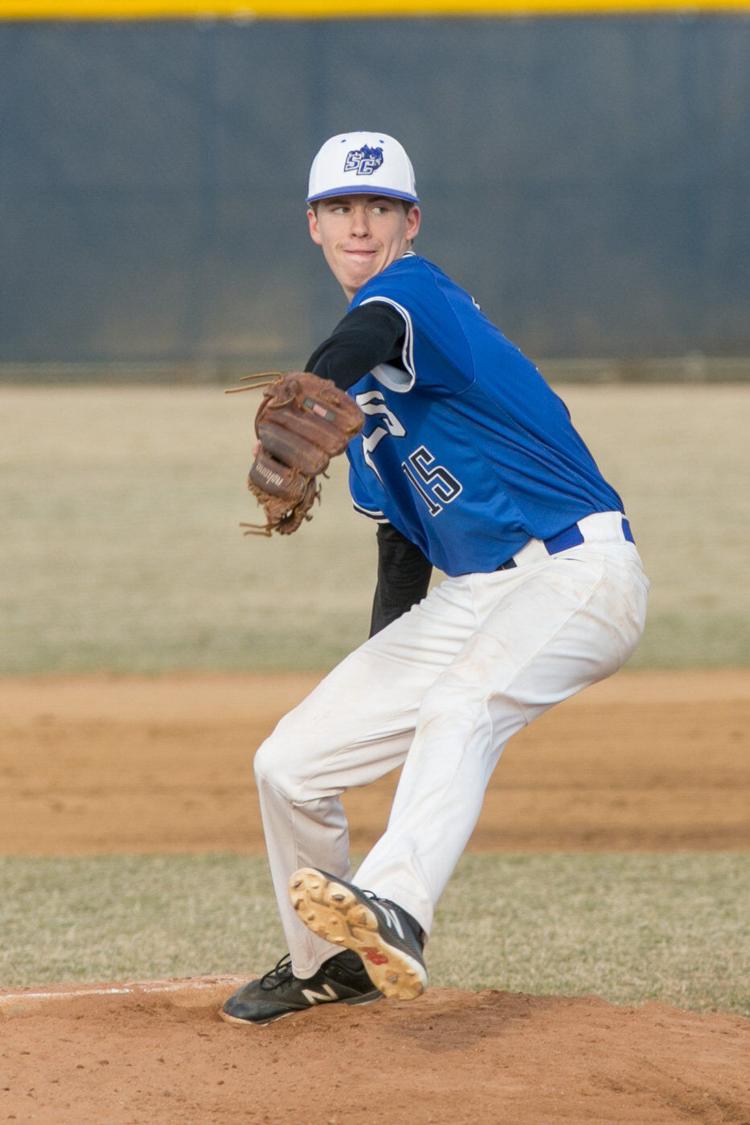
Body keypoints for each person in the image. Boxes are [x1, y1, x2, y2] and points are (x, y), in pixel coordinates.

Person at [220, 131, 649, 1027]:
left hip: (577, 568)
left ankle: (398, 907)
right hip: (471, 595)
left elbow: (367, 332)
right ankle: (334, 962)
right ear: (313, 225)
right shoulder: (369, 430)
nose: (361, 224)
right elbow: (403, 556)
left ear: (410, 222)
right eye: (342, 208)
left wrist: (312, 382)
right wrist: (376, 686)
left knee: (464, 704)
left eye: (380, 208)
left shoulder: (414, 295)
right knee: (290, 762)